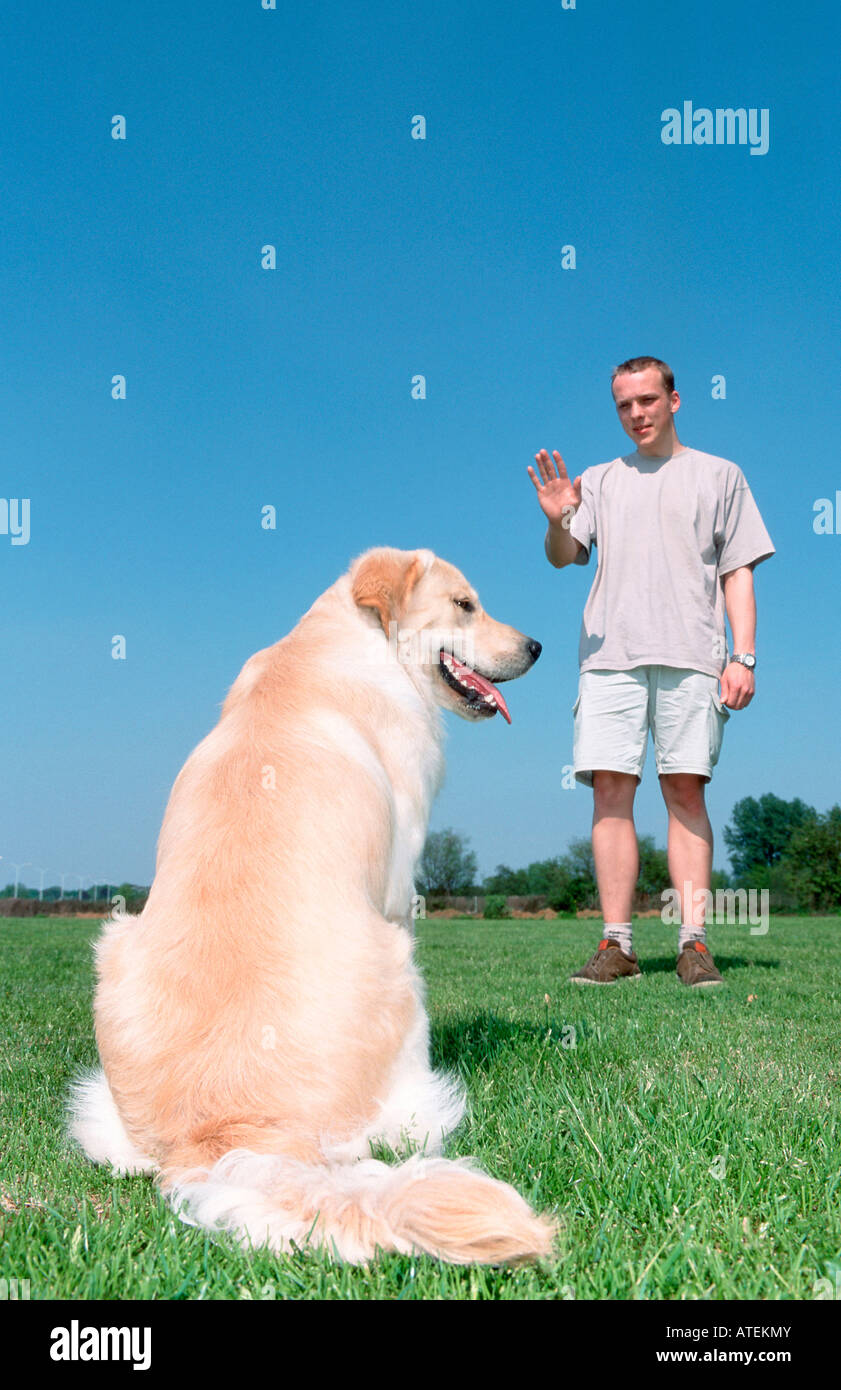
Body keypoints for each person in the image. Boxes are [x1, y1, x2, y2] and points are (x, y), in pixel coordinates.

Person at [527, 357, 775, 987]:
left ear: (675, 400)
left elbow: (737, 570)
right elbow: (565, 559)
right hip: (609, 659)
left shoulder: (721, 475)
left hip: (694, 656)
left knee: (685, 791)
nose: (636, 414)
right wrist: (558, 517)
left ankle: (693, 945)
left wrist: (742, 655)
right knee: (611, 794)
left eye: (647, 400)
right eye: (623, 405)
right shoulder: (601, 481)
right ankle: (619, 946)